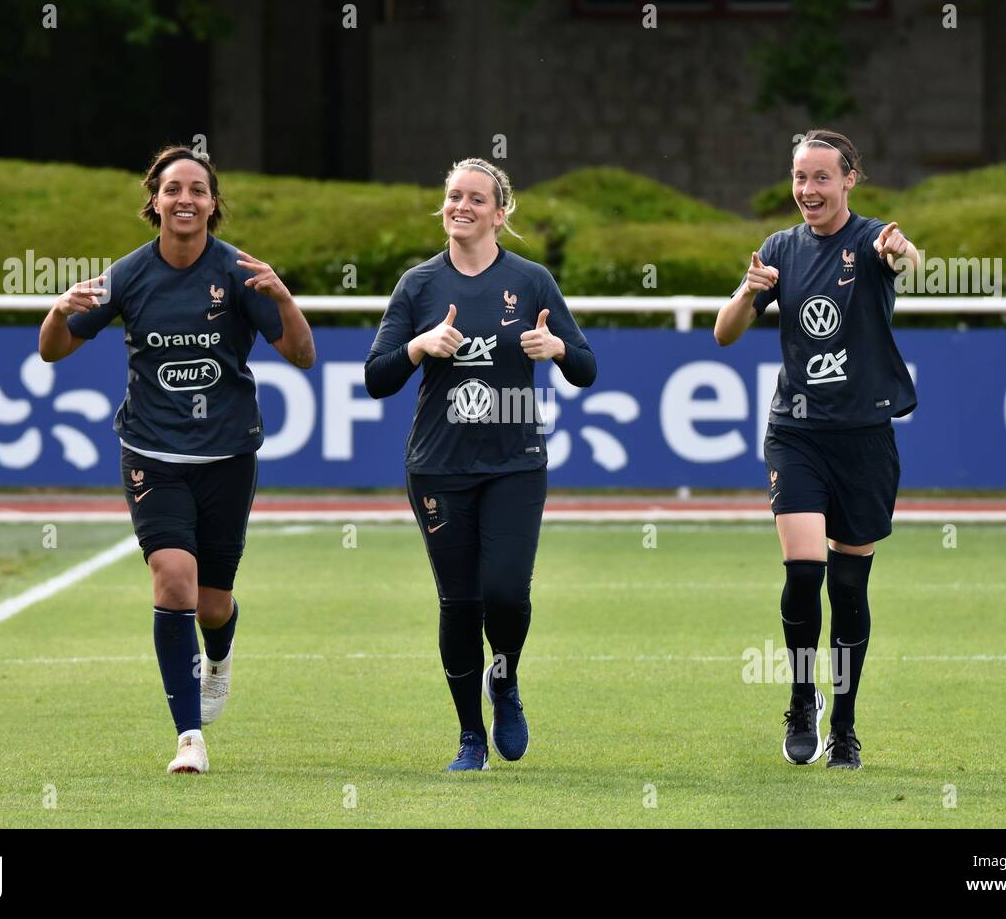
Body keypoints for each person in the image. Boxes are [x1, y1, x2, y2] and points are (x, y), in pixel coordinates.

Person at [38, 145, 315, 774]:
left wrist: (287, 299)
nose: (184, 199)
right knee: (173, 580)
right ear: (154, 201)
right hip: (151, 453)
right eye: (173, 189)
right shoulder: (128, 276)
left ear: (213, 204)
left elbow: (303, 356)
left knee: (213, 603)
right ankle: (189, 737)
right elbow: (53, 352)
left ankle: (218, 655)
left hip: (227, 455)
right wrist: (57, 310)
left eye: (197, 189)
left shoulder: (242, 274)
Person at [364, 157, 596, 771]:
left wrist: (558, 348)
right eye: (452, 196)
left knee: (505, 594)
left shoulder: (533, 279)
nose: (460, 206)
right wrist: (418, 346)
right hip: (438, 466)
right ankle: (470, 736)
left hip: (514, 461)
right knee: (460, 602)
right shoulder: (417, 286)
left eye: (475, 199)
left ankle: (507, 679)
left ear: (500, 213)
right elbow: (375, 378)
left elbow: (587, 366)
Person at [714, 130, 918, 770]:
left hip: (864, 437)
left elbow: (909, 264)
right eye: (800, 178)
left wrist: (905, 252)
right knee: (805, 572)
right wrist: (749, 291)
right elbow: (725, 335)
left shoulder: (872, 239)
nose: (808, 190)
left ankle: (845, 725)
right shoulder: (778, 249)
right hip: (796, 432)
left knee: (850, 587)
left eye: (821, 177)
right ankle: (802, 700)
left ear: (850, 179)